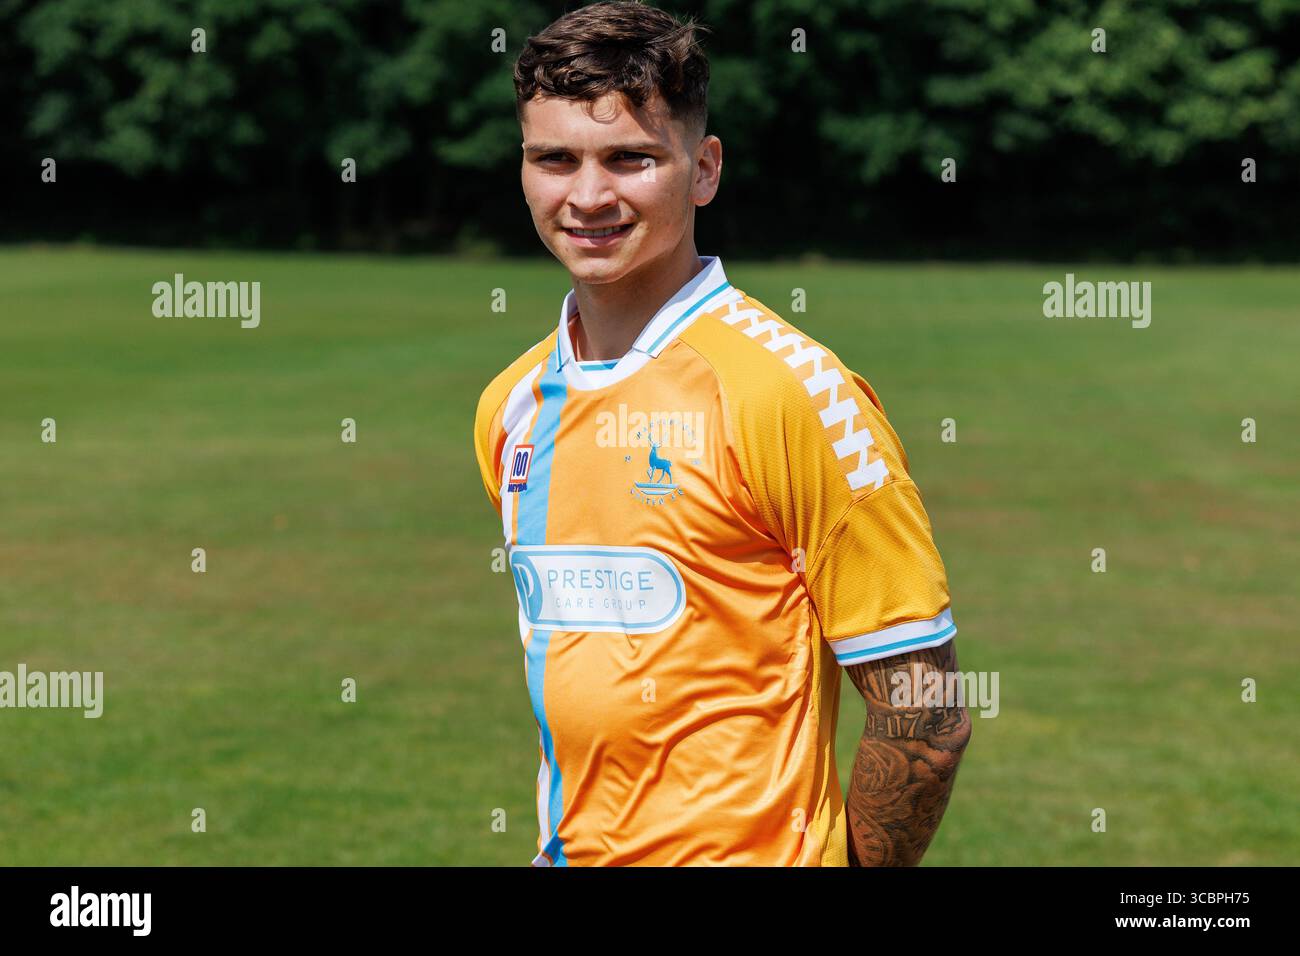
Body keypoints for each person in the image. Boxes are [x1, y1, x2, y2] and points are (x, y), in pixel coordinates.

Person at [473, 0, 970, 866]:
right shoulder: (509, 404)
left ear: (703, 170)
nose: (588, 196)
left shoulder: (789, 391)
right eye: (555, 159)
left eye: (631, 159)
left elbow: (924, 708)